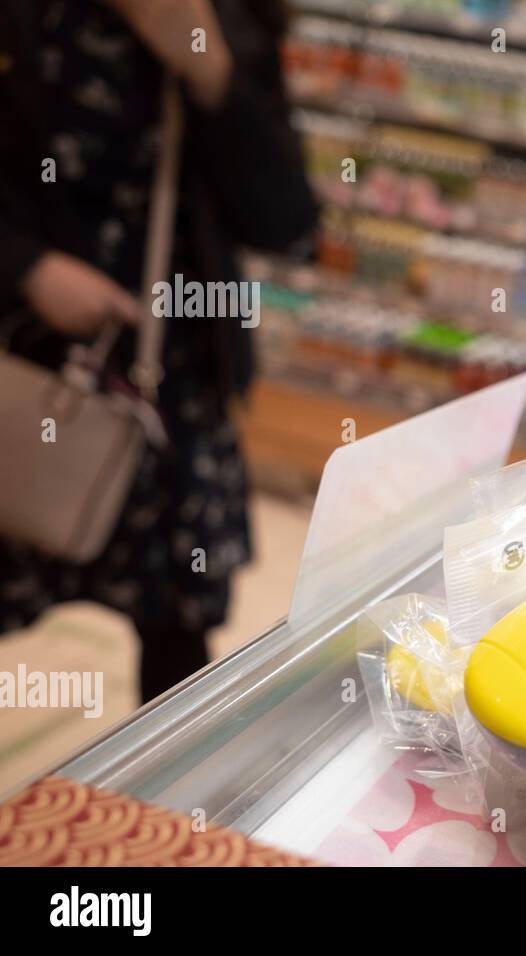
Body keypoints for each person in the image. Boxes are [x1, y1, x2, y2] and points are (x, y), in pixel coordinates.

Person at [0, 0, 317, 700]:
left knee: (176, 628)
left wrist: (210, 74)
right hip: (20, 354)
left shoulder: (225, 18)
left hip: (168, 377)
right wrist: (25, 265)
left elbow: (286, 220)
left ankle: (170, 809)